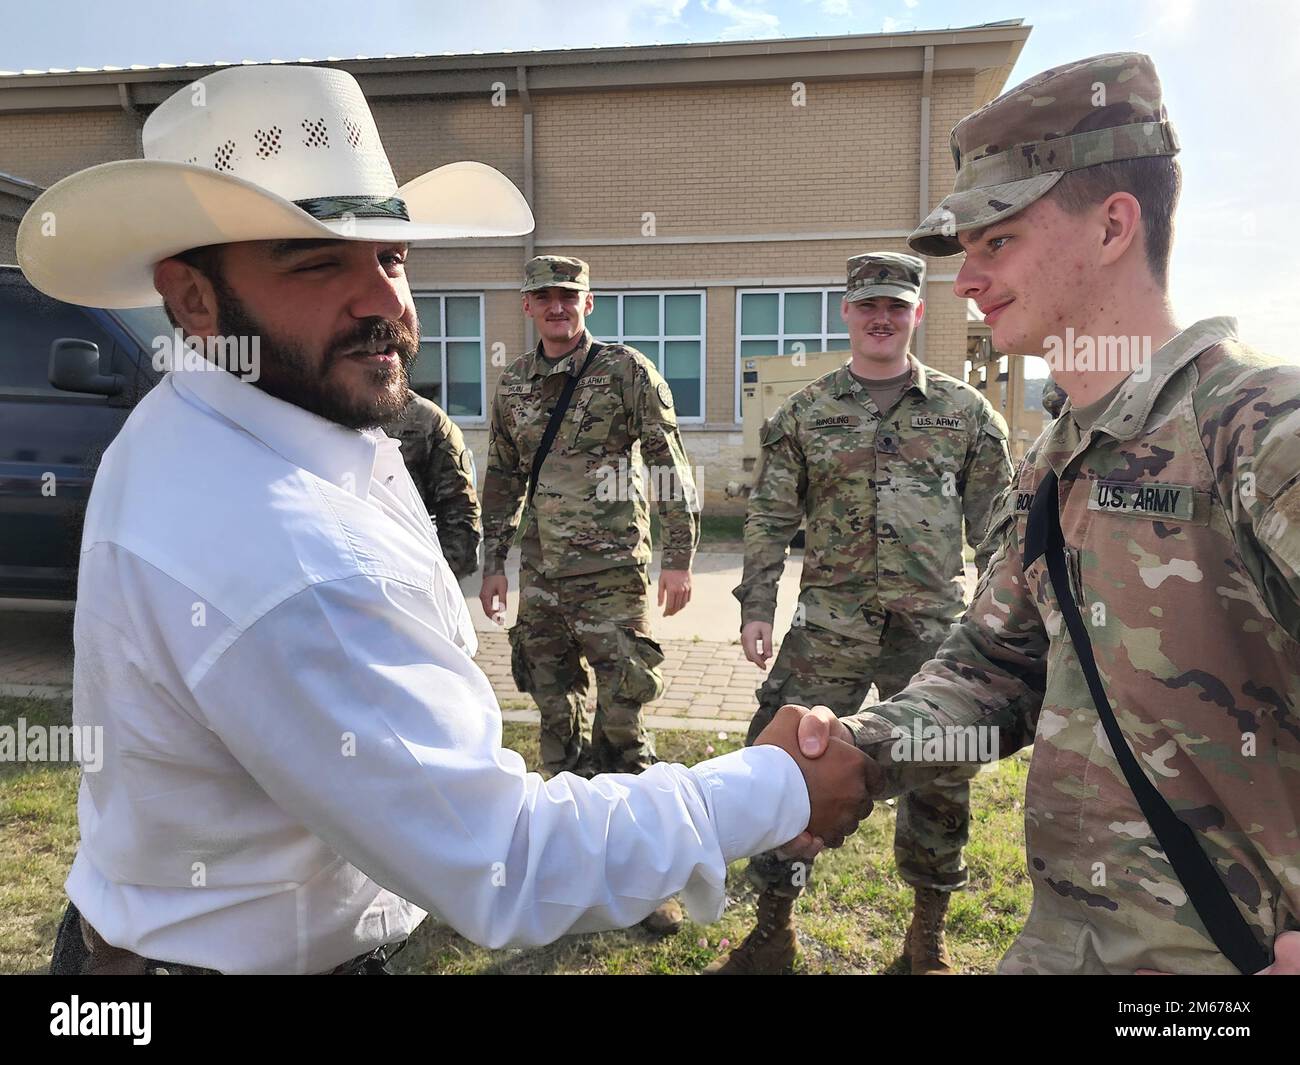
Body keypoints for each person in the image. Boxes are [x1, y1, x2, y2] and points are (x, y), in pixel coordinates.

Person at [20, 63, 874, 975]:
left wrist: (672, 556)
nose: (385, 301)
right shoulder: (283, 549)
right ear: (192, 298)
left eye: (391, 257)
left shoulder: (232, 414)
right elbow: (506, 859)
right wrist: (774, 788)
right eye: (316, 263)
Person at [803, 51, 1300, 974]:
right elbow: (1001, 673)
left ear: (1113, 225)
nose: (966, 281)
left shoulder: (1259, 427)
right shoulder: (1061, 456)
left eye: (999, 242)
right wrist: (857, 753)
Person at [711, 252, 1012, 974]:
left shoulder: (966, 413)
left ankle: (924, 940)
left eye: (896, 306)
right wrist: (758, 603)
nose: (882, 318)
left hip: (932, 635)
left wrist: (995, 618)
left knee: (941, 778)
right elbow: (769, 514)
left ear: (918, 313)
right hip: (830, 631)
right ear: (846, 313)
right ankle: (772, 930)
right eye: (868, 305)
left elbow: (1000, 526)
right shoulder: (807, 413)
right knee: (785, 767)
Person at [384, 391, 482, 580]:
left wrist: (440, 579)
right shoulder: (317, 414)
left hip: (409, 574)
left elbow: (459, 508)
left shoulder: (425, 420)